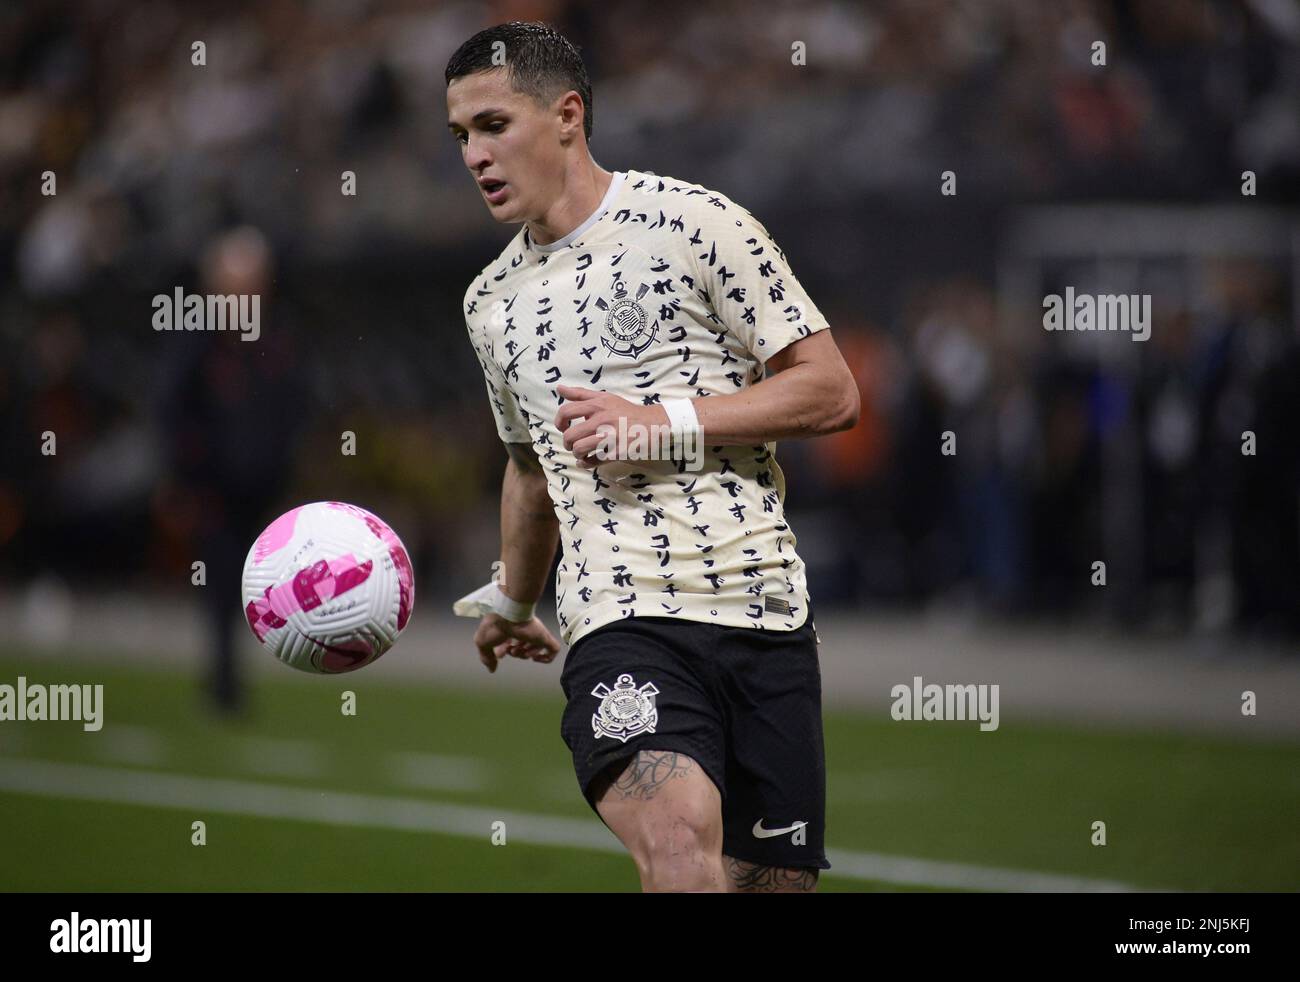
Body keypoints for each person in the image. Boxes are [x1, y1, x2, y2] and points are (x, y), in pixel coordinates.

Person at [447, 21, 859, 893]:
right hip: (621, 614)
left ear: (566, 115)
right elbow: (530, 469)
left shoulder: (698, 225)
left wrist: (661, 421)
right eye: (460, 137)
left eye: (492, 125)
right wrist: (517, 596)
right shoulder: (490, 304)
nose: (474, 155)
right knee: (679, 847)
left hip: (763, 610)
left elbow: (831, 391)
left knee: (769, 884)